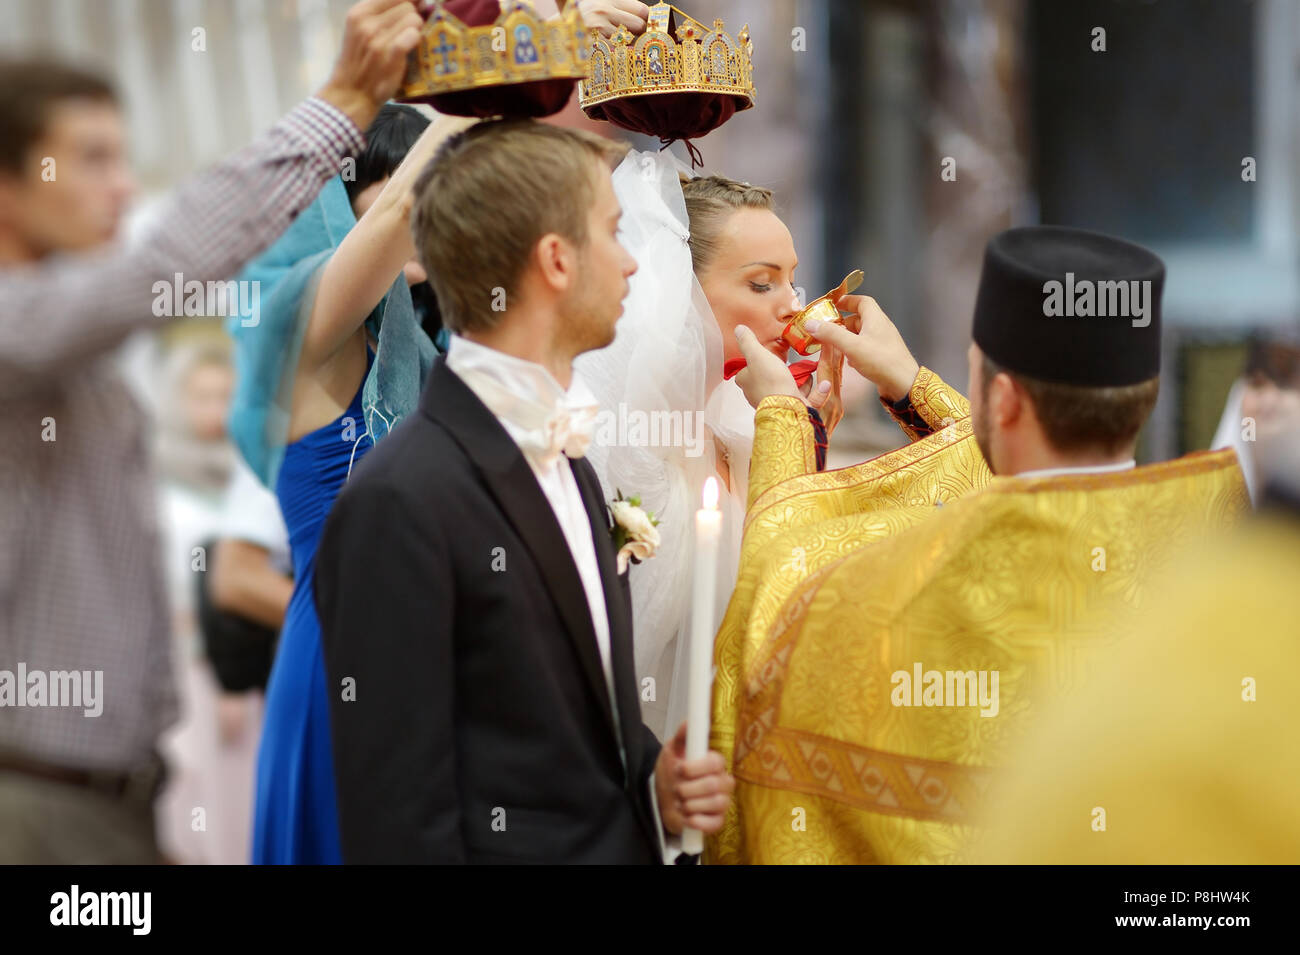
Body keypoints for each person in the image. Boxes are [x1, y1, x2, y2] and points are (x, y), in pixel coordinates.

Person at [0, 0, 426, 865]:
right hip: (39, 798)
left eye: (122, 157)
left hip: (108, 790)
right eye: (91, 159)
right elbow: (168, 263)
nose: (124, 186)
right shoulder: (19, 326)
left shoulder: (64, 344)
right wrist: (345, 100)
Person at [708, 225, 1250, 863]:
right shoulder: (1234, 557)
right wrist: (913, 386)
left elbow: (778, 616)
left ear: (1002, 396)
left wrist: (779, 415)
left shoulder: (893, 592)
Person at [315, 119, 734, 863]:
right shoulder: (402, 502)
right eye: (615, 231)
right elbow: (399, 819)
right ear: (555, 260)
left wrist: (650, 784)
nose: (635, 264)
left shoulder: (567, 458)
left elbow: (560, 724)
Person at [227, 102, 474, 865]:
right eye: (404, 192)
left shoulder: (431, 349)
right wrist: (500, 71)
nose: (432, 213)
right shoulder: (312, 334)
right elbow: (402, 207)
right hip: (345, 661)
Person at [574, 150, 841, 742]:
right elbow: (625, 641)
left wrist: (799, 436)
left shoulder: (738, 423)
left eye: (792, 279)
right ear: (677, 289)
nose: (794, 306)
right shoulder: (622, 442)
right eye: (761, 283)